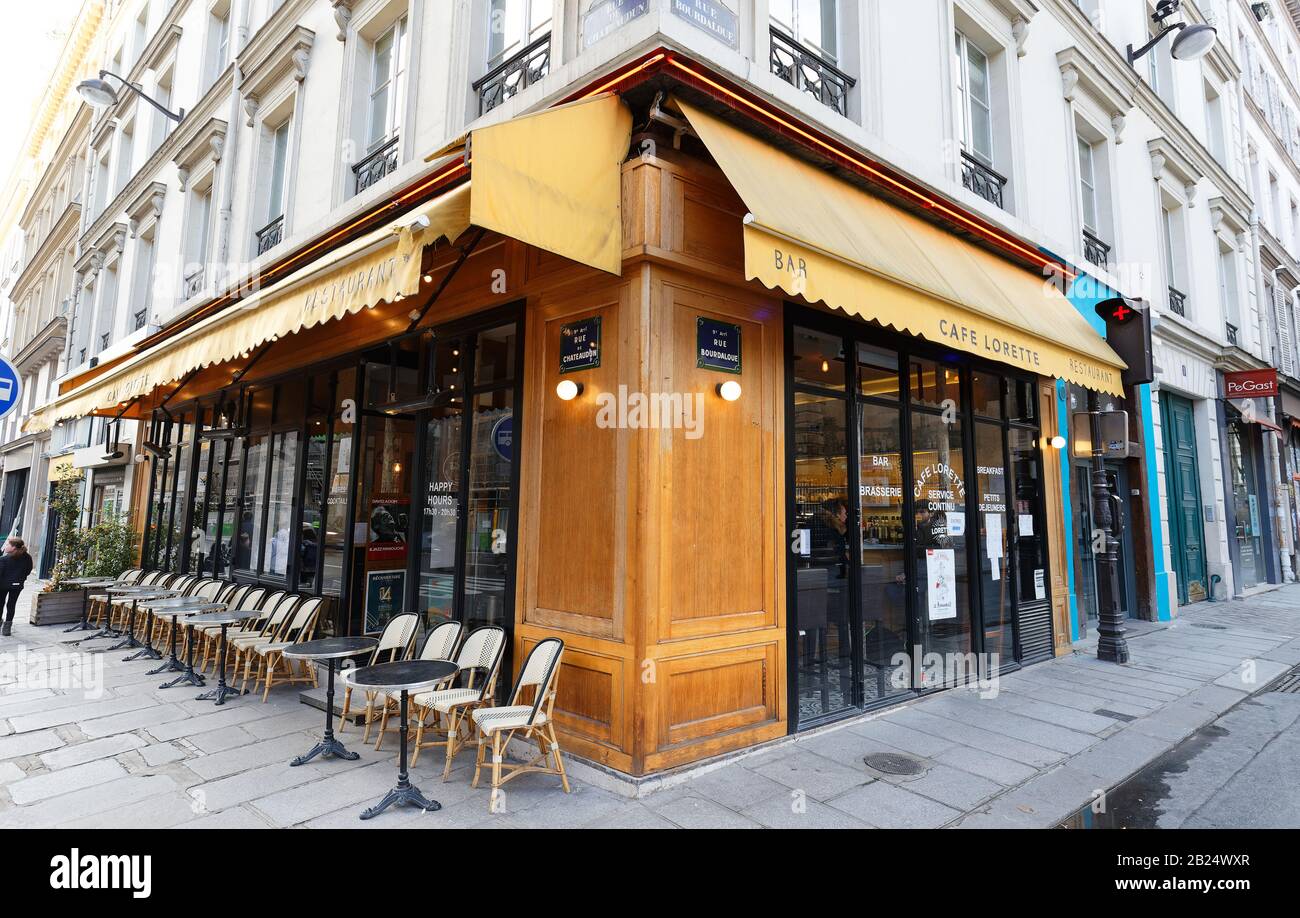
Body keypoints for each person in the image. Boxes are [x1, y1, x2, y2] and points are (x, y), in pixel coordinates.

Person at [0, 538, 34, 637]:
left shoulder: (3, 559)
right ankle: (7, 627)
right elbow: (28, 570)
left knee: (0, 603)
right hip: (17, 585)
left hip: (2, 586)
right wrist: (20, 578)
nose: (5, 546)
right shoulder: (27, 557)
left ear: (13, 547)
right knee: (11, 604)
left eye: (7, 545)